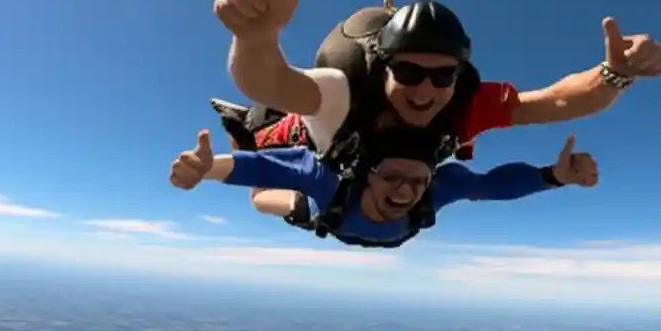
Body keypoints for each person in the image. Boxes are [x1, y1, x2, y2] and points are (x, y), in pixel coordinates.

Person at [211, 0, 661, 169]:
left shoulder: (464, 105)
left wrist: (615, 74)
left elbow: (556, 102)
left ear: (459, 74)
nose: (426, 90)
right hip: (317, 150)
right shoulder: (343, 90)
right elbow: (267, 82)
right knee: (267, 134)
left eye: (443, 75)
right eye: (408, 72)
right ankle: (260, 132)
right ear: (385, 66)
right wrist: (256, 36)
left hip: (372, 179)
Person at [168, 124, 600, 249]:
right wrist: (207, 169)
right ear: (367, 173)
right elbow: (260, 169)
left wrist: (552, 176)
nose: (407, 190)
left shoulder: (438, 188)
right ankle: (260, 128)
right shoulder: (329, 179)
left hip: (349, 224)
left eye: (417, 180)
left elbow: (492, 185)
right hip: (324, 213)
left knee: (291, 196)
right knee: (268, 197)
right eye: (393, 178)